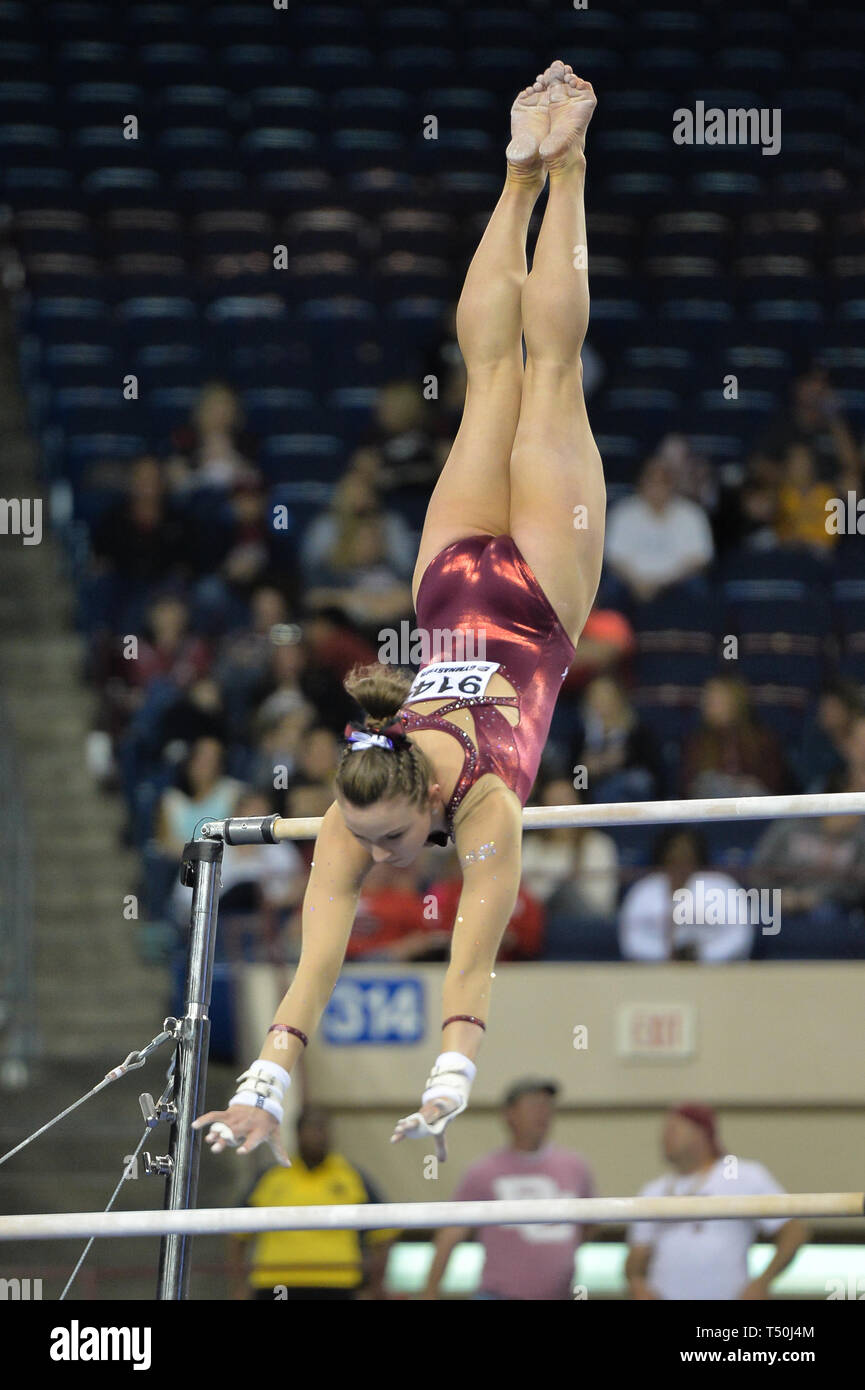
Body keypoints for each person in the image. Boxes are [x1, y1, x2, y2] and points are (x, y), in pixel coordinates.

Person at [194, 62, 607, 1165]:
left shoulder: (461, 809)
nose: (376, 859)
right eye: (376, 846)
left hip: (510, 594)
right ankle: (528, 178)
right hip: (470, 580)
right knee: (511, 372)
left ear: (416, 792)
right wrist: (276, 1090)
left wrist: (443, 1077)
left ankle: (554, 170)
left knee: (533, 372)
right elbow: (321, 968)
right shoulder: (375, 789)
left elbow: (451, 964)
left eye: (378, 844)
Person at [422, 1079, 595, 1300]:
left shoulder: (575, 1167)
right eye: (533, 1105)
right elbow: (451, 1233)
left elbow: (589, 1224)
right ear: (510, 1114)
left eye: (547, 1105)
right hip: (499, 1294)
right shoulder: (485, 1171)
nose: (542, 1113)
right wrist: (431, 1291)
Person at [625, 1104, 807, 1300]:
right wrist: (637, 1285)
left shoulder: (743, 1176)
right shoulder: (654, 1190)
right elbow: (637, 1257)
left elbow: (793, 1231)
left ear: (701, 1133)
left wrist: (762, 1282)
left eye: (673, 1130)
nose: (664, 1138)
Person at [228, 1106, 396, 1300]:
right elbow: (237, 1234)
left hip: (338, 1285)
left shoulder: (352, 1176)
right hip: (275, 1285)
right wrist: (239, 1286)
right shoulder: (271, 1177)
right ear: (298, 1133)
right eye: (312, 1128)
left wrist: (376, 1285)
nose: (318, 1135)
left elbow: (383, 1234)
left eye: (322, 1129)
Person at [618, 828, 754, 963]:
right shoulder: (645, 889)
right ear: (664, 856)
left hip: (716, 971)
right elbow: (631, 938)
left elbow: (739, 935)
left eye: (687, 856)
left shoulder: (722, 885)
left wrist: (702, 955)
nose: (681, 861)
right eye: (675, 857)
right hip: (657, 971)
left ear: (697, 856)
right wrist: (667, 954)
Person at [604, 455, 714, 605]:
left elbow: (700, 558)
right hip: (632, 583)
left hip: (676, 581)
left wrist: (663, 582)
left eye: (664, 482)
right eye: (652, 481)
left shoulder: (692, 514)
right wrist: (637, 582)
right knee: (611, 585)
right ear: (641, 482)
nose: (658, 487)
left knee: (698, 585)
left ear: (672, 484)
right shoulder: (623, 512)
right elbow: (614, 557)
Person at [679, 674, 788, 799]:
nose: (708, 705)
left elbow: (775, 785)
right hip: (711, 807)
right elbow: (688, 787)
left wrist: (744, 784)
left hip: (752, 805)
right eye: (707, 700)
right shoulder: (697, 742)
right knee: (710, 782)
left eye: (717, 700)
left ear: (735, 702)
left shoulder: (761, 740)